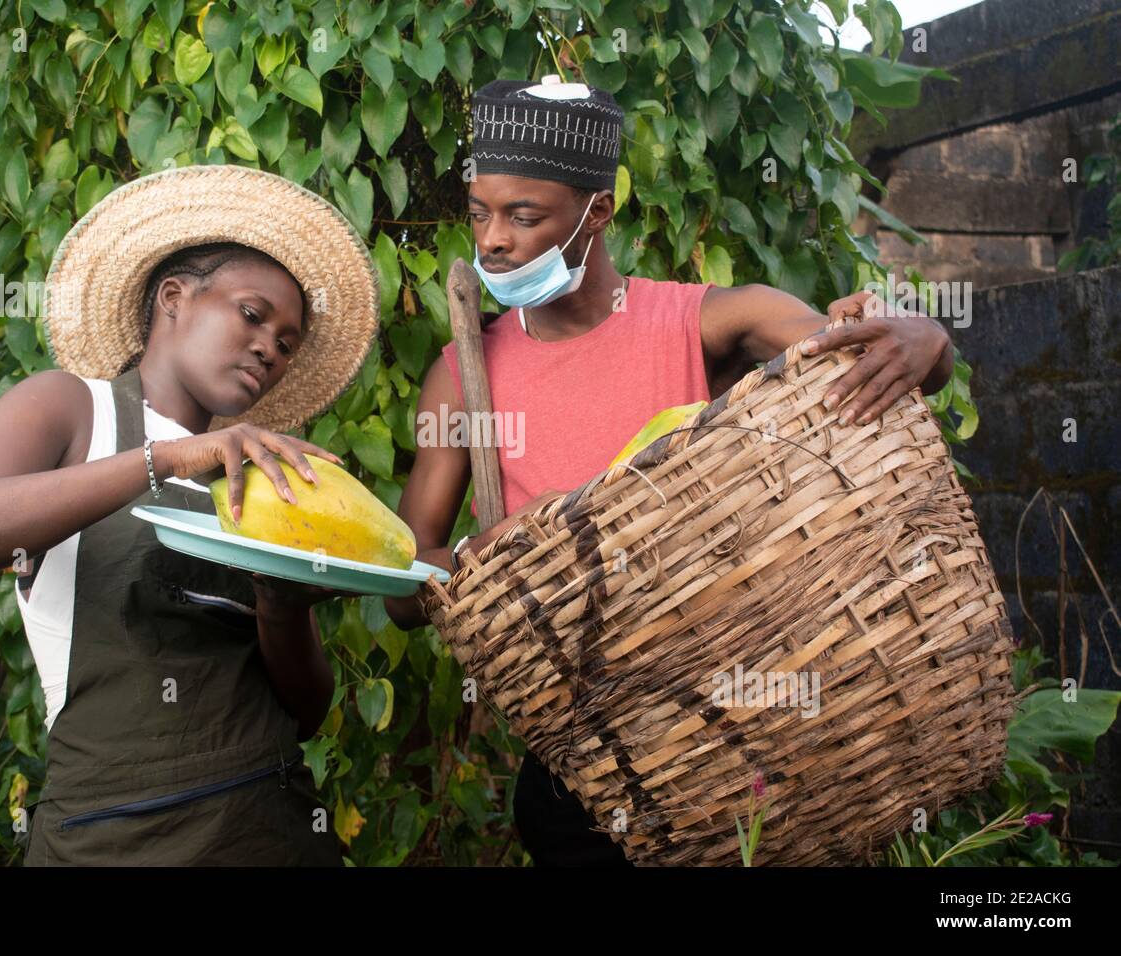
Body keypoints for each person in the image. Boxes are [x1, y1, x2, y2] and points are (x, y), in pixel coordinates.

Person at [385, 77, 954, 866]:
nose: (492, 241)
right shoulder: (463, 374)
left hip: (736, 742)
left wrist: (929, 337)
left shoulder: (709, 321)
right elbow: (403, 585)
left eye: (523, 216)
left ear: (597, 213)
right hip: (583, 770)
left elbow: (865, 355)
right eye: (480, 213)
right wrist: (491, 563)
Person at [0, 164, 380, 865]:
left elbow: (303, 713)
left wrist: (282, 604)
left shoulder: (260, 475)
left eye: (286, 345)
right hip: (114, 836)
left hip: (268, 827)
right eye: (253, 315)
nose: (268, 350)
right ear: (174, 297)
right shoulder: (70, 409)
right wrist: (167, 458)